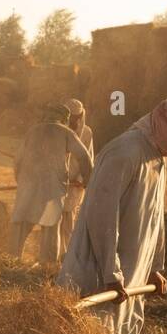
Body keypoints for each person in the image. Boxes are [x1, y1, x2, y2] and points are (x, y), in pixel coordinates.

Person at [57, 93, 167, 334]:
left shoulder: (157, 156)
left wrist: (155, 266)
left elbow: (153, 217)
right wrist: (111, 272)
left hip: (131, 276)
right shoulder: (125, 152)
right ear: (162, 118)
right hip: (99, 274)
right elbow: (102, 216)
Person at [10, 101, 93, 265]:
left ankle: (10, 262)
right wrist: (88, 180)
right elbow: (84, 157)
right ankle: (46, 267)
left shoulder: (32, 131)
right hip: (52, 189)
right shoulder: (66, 133)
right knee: (50, 228)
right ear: (65, 118)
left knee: (20, 225)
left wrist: (21, 181)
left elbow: (17, 160)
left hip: (28, 187)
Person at [59, 98, 95, 253]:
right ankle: (55, 254)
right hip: (59, 180)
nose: (74, 119)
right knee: (54, 219)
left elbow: (88, 157)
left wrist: (80, 179)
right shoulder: (58, 129)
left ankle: (68, 254)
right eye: (71, 116)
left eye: (77, 116)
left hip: (75, 184)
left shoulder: (86, 132)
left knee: (69, 218)